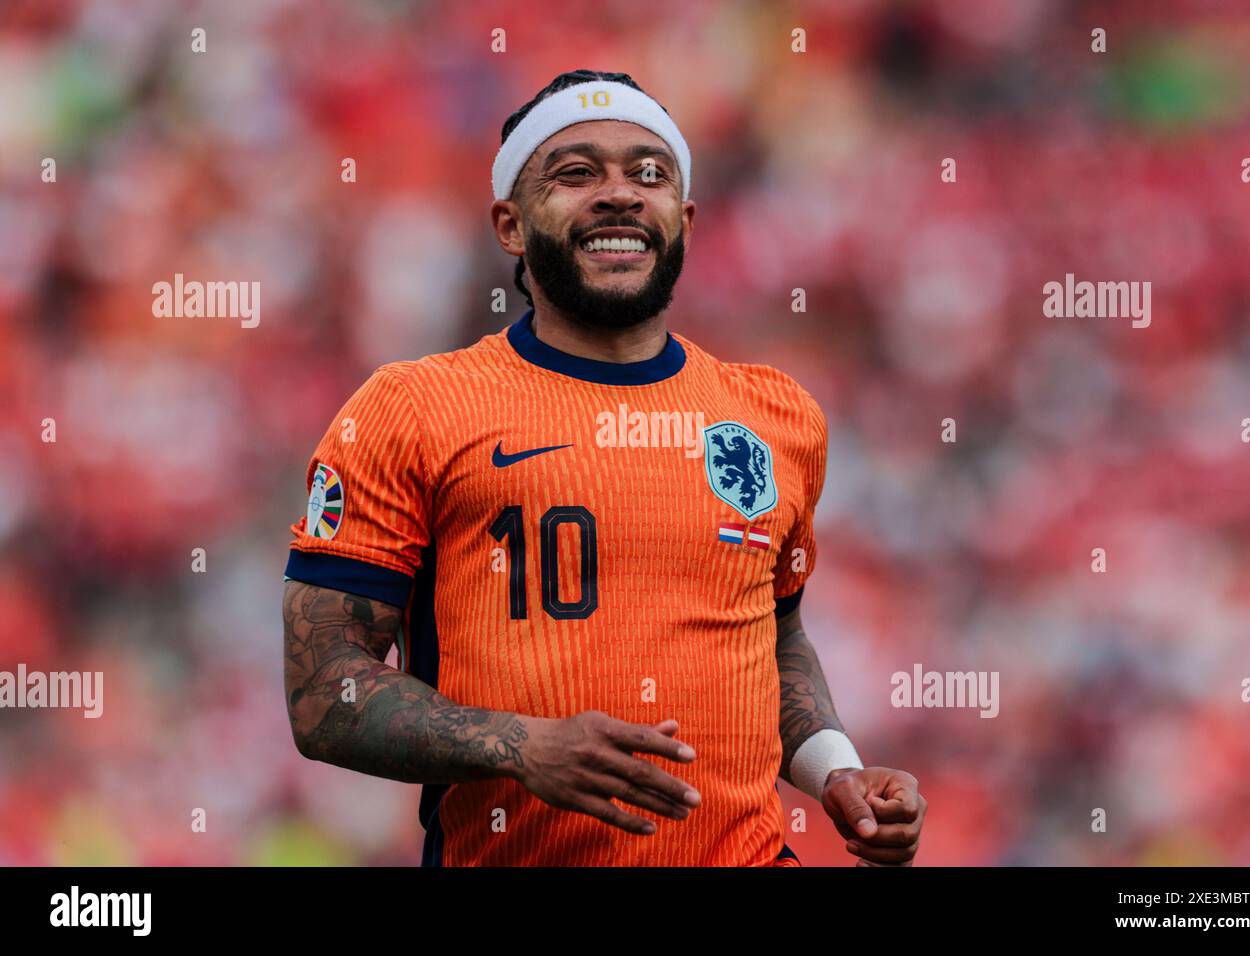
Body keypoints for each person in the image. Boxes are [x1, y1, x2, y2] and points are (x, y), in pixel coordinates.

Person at [281, 69, 925, 866]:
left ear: (683, 220)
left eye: (648, 174)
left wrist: (836, 769)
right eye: (576, 173)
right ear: (511, 226)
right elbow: (322, 694)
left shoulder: (776, 415)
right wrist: (519, 746)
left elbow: (777, 632)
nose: (620, 194)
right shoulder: (412, 407)